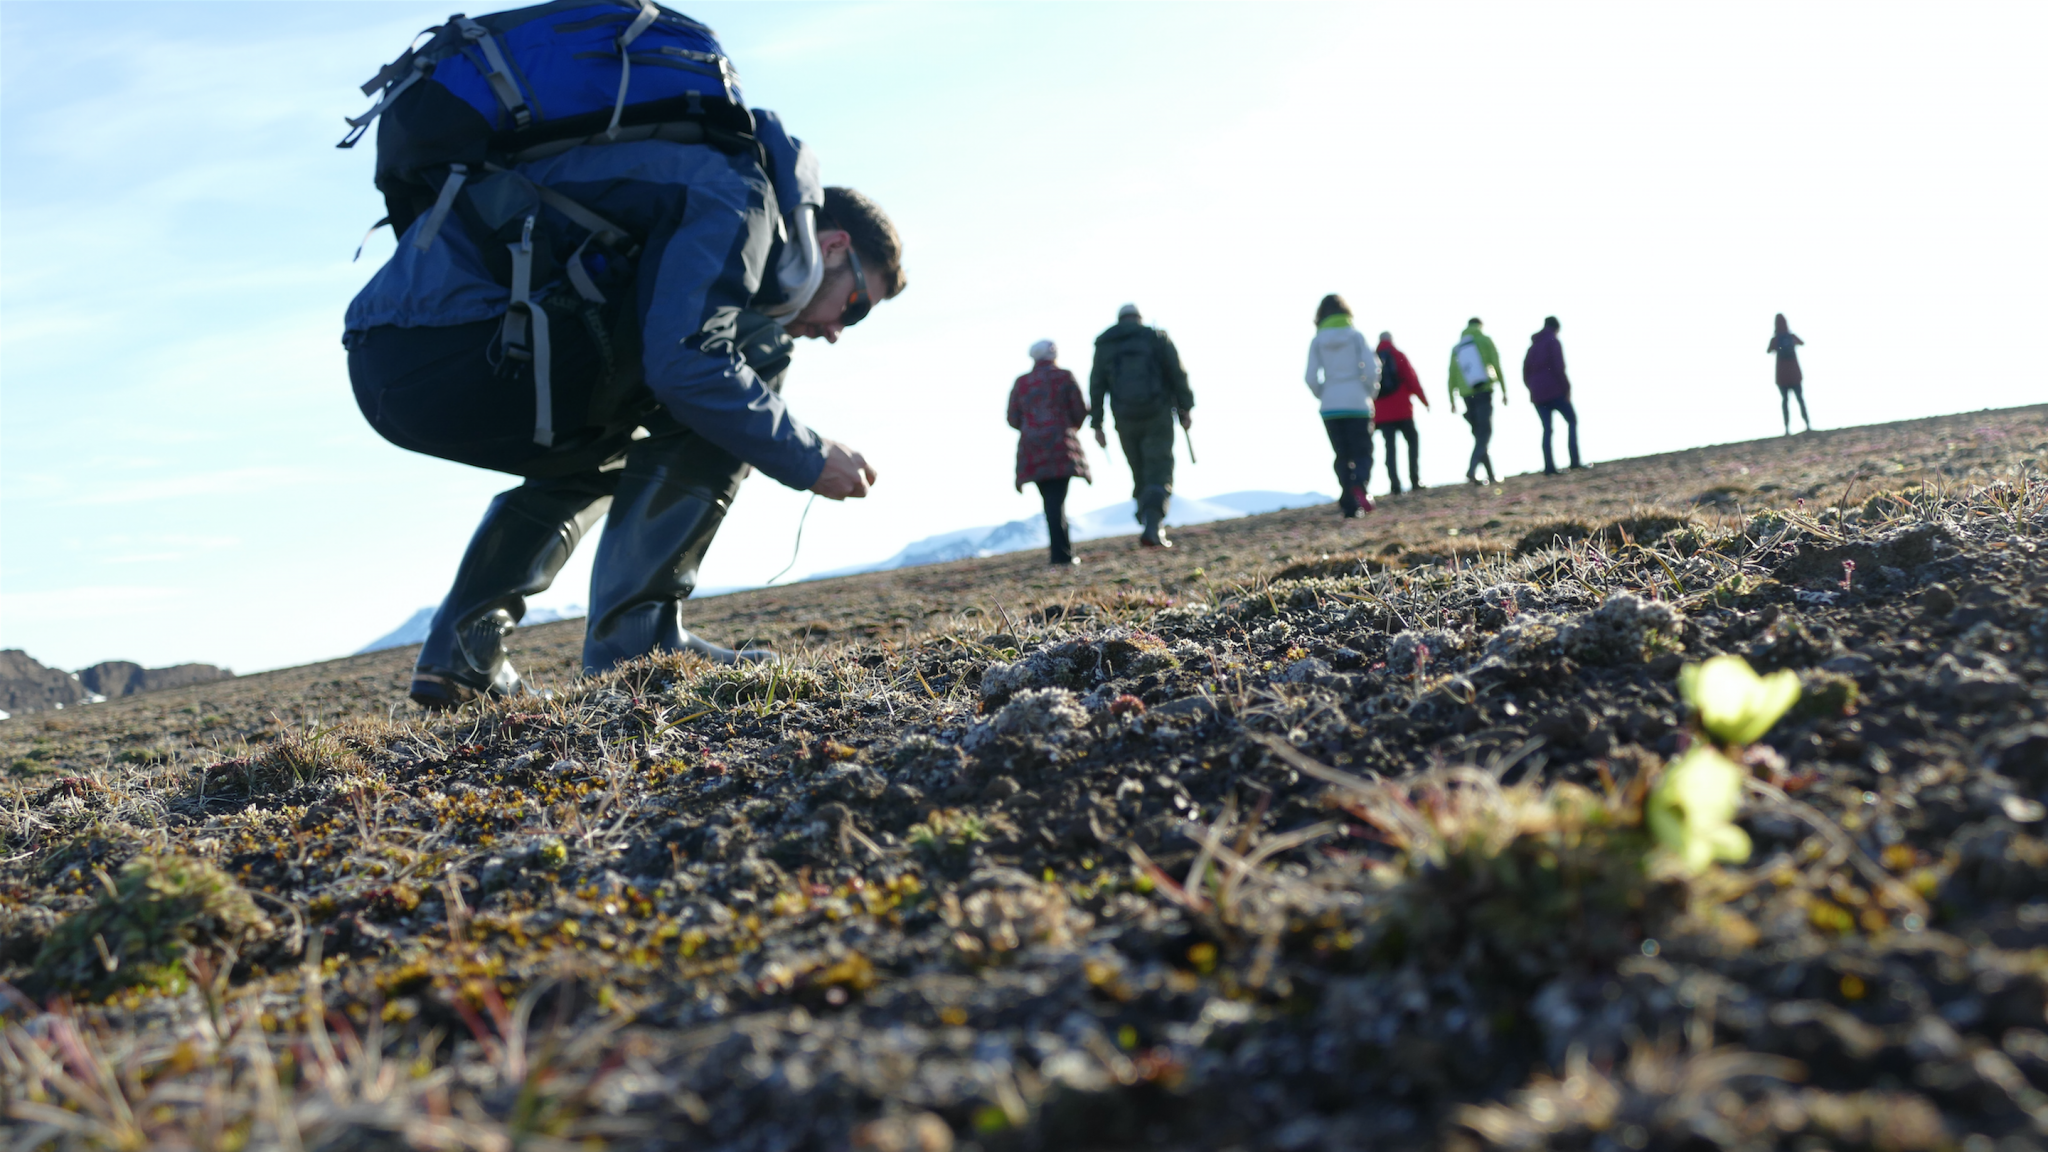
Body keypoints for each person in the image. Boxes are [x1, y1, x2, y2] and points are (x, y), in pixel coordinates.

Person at [344, 11, 906, 709]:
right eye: (855, 305)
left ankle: (465, 651)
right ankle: (638, 637)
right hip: (462, 348)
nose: (836, 332)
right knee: (745, 354)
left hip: (393, 363)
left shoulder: (694, 172)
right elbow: (688, 367)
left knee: (602, 443)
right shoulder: (739, 191)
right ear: (833, 246)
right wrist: (807, 453)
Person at [1090, 303, 1194, 548]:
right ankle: (1153, 524)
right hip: (1157, 412)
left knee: (1138, 470)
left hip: (1124, 417)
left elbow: (1096, 385)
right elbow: (1177, 373)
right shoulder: (1155, 337)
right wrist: (1186, 407)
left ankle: (1147, 518)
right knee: (1159, 468)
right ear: (1138, 318)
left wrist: (1097, 423)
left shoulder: (1105, 344)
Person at [1008, 340, 1092, 566]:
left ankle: (1060, 553)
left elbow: (1012, 418)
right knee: (1057, 502)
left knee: (1050, 503)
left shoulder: (1022, 383)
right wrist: (1066, 426)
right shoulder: (1064, 377)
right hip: (1061, 446)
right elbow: (1080, 410)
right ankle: (1062, 555)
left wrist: (1032, 428)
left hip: (1032, 450)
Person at [1303, 295, 1379, 516]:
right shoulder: (1356, 336)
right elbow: (1373, 369)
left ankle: (1348, 503)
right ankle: (1361, 485)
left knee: (1342, 455)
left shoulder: (1317, 341)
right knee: (1363, 452)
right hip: (1357, 401)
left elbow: (1310, 377)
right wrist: (1368, 392)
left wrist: (1324, 394)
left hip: (1331, 405)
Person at [1446, 317, 1505, 485]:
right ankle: (1471, 470)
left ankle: (1491, 475)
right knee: (1484, 433)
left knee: (1480, 434)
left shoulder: (1457, 348)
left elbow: (1451, 375)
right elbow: (1496, 364)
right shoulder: (1484, 340)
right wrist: (1504, 389)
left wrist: (1452, 399)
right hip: (1483, 391)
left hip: (1465, 395)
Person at [1522, 316, 1582, 474]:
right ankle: (1574, 461)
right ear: (1556, 328)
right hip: (1556, 391)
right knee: (1572, 421)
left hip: (1538, 395)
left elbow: (1525, 373)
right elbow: (1559, 367)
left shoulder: (1533, 347)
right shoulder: (1553, 342)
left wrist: (1531, 389)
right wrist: (1567, 388)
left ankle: (1549, 467)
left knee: (1547, 429)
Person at [1374, 331, 1429, 494]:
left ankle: (1395, 485)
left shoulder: (1373, 358)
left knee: (1389, 448)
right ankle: (1415, 479)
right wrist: (1424, 400)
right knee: (1412, 441)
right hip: (1402, 408)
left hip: (1382, 413)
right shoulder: (1398, 355)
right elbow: (1412, 379)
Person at [1768, 313, 1811, 435]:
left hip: (1782, 376)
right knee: (1800, 399)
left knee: (1785, 401)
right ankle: (1807, 424)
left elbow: (1768, 350)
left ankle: (1787, 429)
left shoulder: (1775, 340)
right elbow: (1802, 342)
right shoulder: (1791, 336)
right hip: (1795, 374)